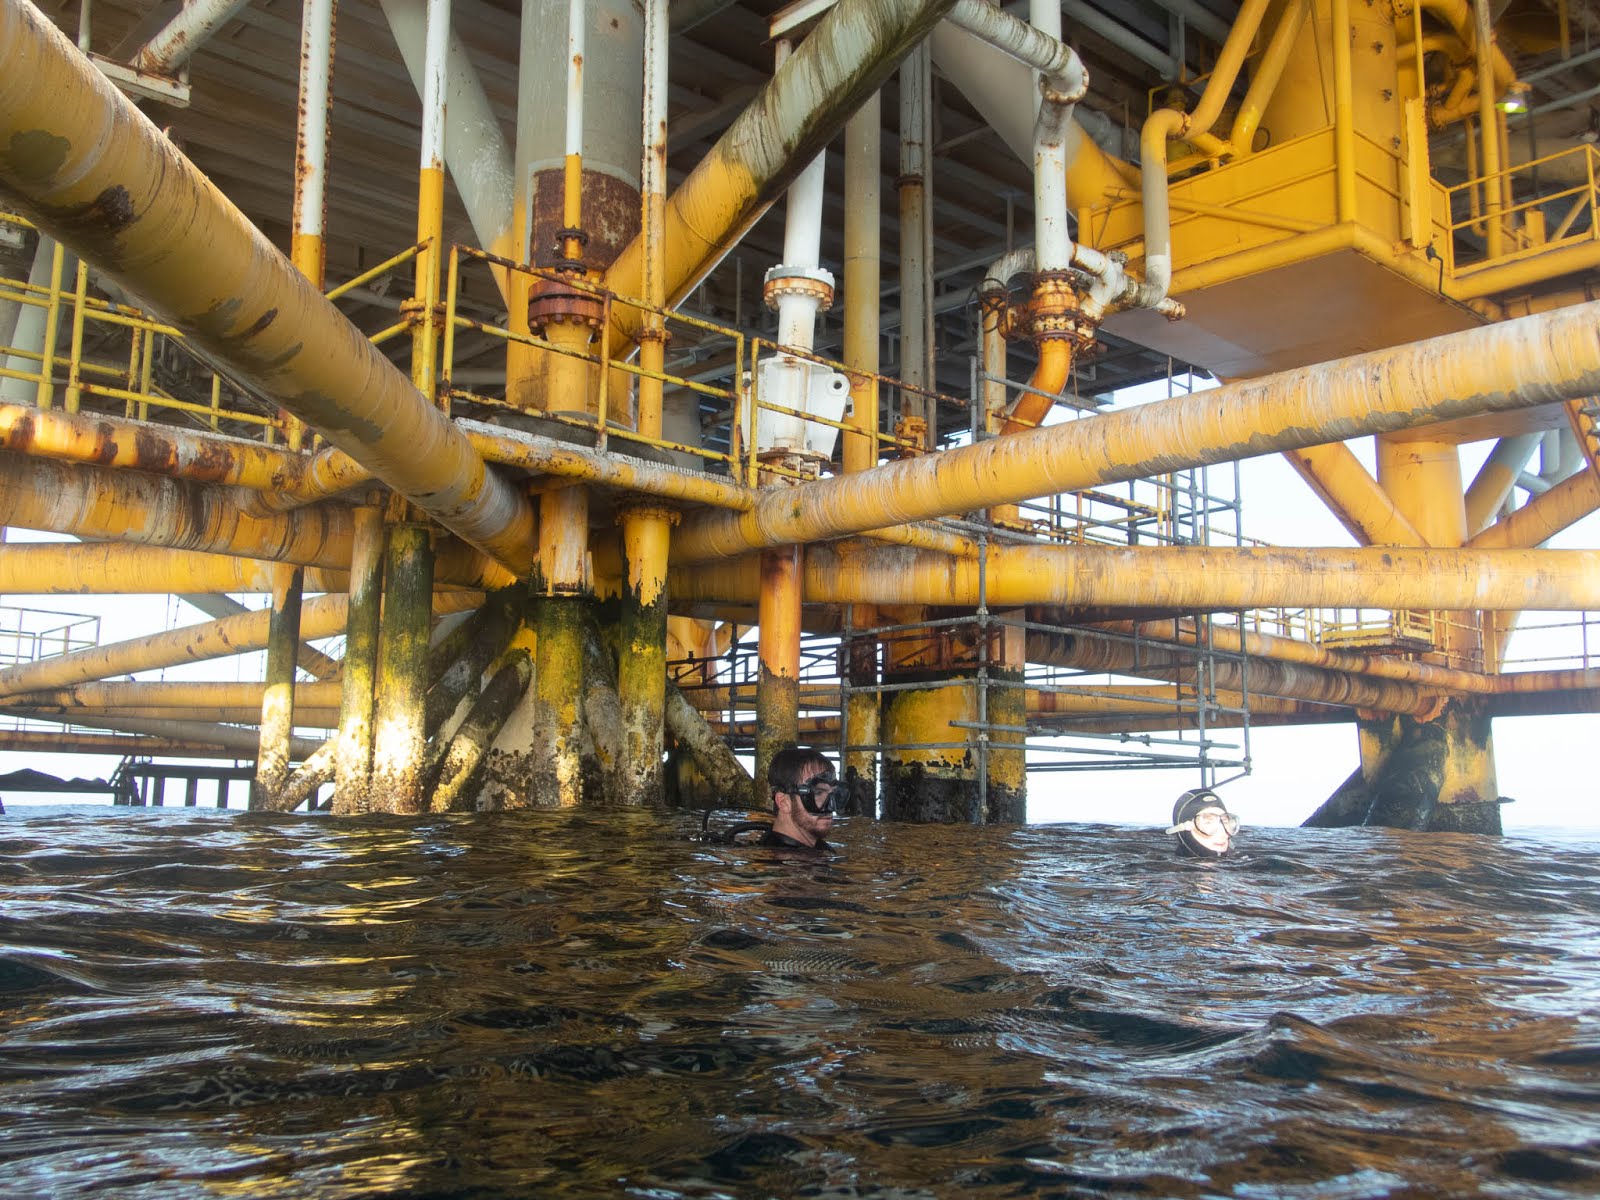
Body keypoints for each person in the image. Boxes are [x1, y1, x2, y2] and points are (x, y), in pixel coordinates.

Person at [761, 744, 840, 851]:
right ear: (784, 802)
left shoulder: (818, 849)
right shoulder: (778, 859)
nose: (831, 807)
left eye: (833, 794)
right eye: (818, 793)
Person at [1167, 788, 1240, 858]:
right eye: (1208, 823)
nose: (1223, 833)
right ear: (1184, 829)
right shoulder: (1168, 865)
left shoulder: (1241, 859)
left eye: (1225, 822)